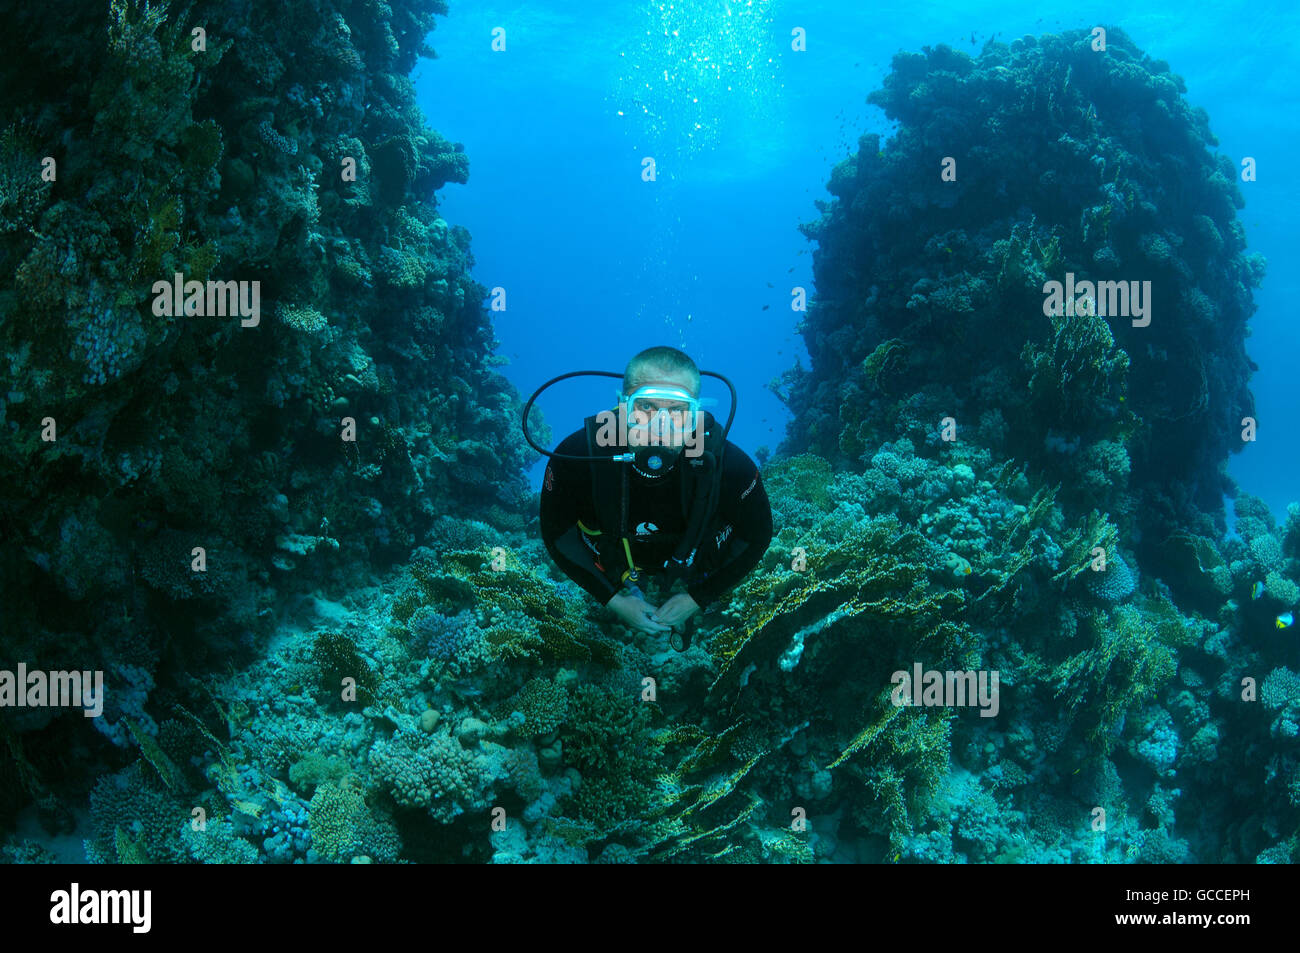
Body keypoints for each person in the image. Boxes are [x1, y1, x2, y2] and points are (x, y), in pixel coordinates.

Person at [539, 346, 773, 649]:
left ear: (695, 415)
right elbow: (556, 531)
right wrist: (614, 601)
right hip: (613, 559)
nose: (659, 429)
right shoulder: (575, 457)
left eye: (677, 411)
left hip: (692, 562)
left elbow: (758, 533)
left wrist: (697, 598)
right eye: (645, 408)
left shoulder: (731, 466)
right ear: (623, 407)